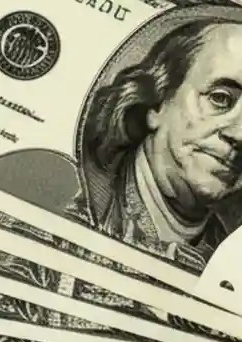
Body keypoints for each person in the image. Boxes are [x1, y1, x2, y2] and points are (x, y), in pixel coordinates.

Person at [72, 17, 242, 273]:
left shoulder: (229, 263)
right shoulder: (71, 198)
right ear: (158, 102)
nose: (239, 134)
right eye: (220, 98)